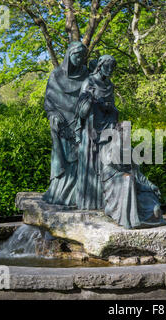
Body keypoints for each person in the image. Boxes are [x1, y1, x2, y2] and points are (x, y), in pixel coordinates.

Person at [42, 42, 89, 206]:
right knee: (65, 161)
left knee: (81, 157)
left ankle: (79, 193)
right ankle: (60, 192)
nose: (79, 59)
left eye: (82, 57)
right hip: (62, 123)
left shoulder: (87, 75)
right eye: (77, 55)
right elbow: (49, 102)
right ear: (69, 55)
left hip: (81, 122)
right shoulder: (56, 75)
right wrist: (53, 114)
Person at [99, 123, 166, 229]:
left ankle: (144, 219)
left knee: (155, 209)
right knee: (128, 179)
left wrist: (151, 185)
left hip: (134, 183)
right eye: (125, 131)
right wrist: (122, 175)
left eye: (129, 131)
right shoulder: (110, 148)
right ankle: (127, 220)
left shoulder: (130, 150)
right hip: (114, 184)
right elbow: (106, 170)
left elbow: (138, 174)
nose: (128, 134)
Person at [74, 55, 119, 209]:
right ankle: (90, 202)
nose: (111, 70)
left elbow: (113, 107)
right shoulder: (89, 82)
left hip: (107, 127)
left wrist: (109, 108)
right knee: (91, 164)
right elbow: (81, 110)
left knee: (107, 163)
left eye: (113, 67)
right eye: (109, 66)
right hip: (91, 129)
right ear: (101, 65)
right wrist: (91, 100)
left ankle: (106, 201)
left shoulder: (110, 85)